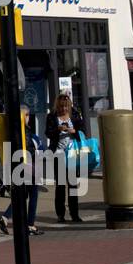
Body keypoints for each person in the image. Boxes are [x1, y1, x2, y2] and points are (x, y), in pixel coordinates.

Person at [0, 105, 41, 236]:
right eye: (27, 115)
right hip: (27, 165)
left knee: (21, 195)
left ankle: (4, 218)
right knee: (33, 194)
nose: (28, 118)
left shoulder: (12, 129)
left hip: (17, 165)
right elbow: (28, 149)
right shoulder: (24, 131)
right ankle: (30, 224)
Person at [46, 93, 87, 223]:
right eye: (61, 107)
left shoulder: (74, 114)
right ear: (57, 106)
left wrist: (73, 131)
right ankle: (60, 215)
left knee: (73, 185)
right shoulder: (52, 117)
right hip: (58, 153)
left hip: (72, 153)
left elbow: (82, 129)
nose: (64, 109)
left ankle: (75, 214)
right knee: (60, 185)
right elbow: (47, 133)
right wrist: (58, 129)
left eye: (66, 107)